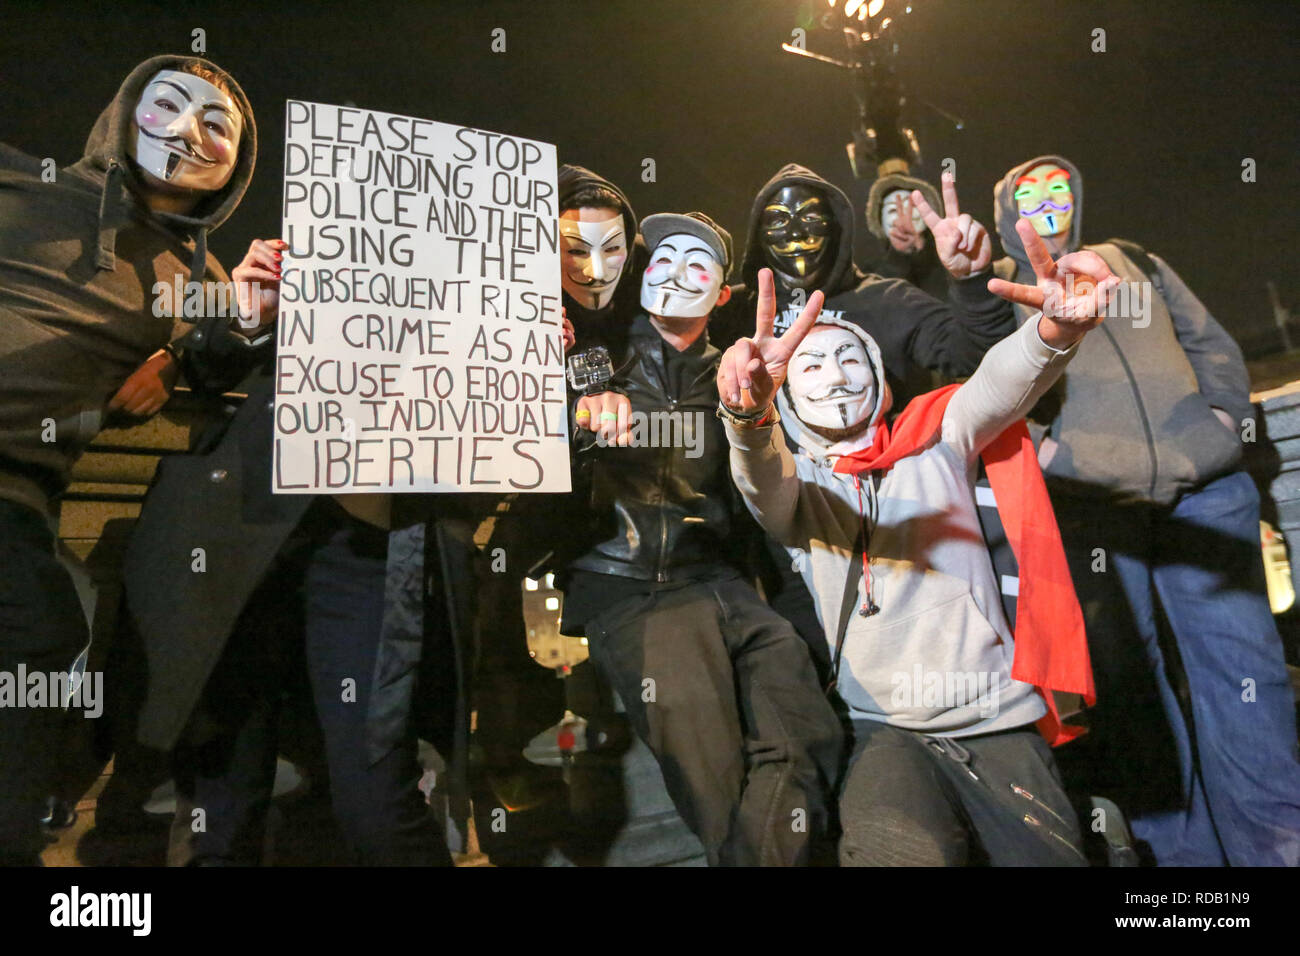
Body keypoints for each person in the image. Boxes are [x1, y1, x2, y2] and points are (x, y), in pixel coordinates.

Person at [716, 221, 1120, 865]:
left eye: (851, 358)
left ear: (877, 374)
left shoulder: (938, 435)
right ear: (787, 394)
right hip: (885, 734)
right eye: (811, 366)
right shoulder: (799, 486)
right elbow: (760, 477)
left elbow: (998, 382)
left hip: (998, 719)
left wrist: (1055, 332)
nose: (837, 374)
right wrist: (748, 415)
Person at [990, 154, 1300, 866]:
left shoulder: (1134, 260)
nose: (1047, 198)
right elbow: (984, 379)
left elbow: (1210, 343)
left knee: (1248, 682)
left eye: (1058, 185)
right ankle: (1184, 878)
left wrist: (1220, 416)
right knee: (1136, 703)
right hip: (1095, 513)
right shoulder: (1004, 287)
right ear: (1007, 212)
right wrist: (1050, 450)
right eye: (1027, 191)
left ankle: (1276, 854)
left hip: (1206, 497)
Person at [0, 54, 260, 865]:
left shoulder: (204, 277)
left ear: (236, 165)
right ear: (121, 114)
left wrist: (183, 358)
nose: (191, 131)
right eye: (169, 107)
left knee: (43, 643)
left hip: (18, 497)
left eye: (217, 125)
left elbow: (220, 353)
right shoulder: (20, 187)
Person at [559, 212, 843, 866]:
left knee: (806, 731)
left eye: (700, 265)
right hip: (632, 590)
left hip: (726, 586)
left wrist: (753, 410)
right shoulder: (593, 359)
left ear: (722, 294)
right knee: (712, 776)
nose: (677, 274)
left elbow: (769, 510)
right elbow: (521, 459)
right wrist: (574, 414)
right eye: (662, 259)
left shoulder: (742, 371)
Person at [864, 167, 948, 301]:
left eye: (912, 206)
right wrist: (899, 256)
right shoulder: (868, 276)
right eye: (892, 210)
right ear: (880, 224)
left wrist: (921, 252)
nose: (903, 215)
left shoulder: (951, 261)